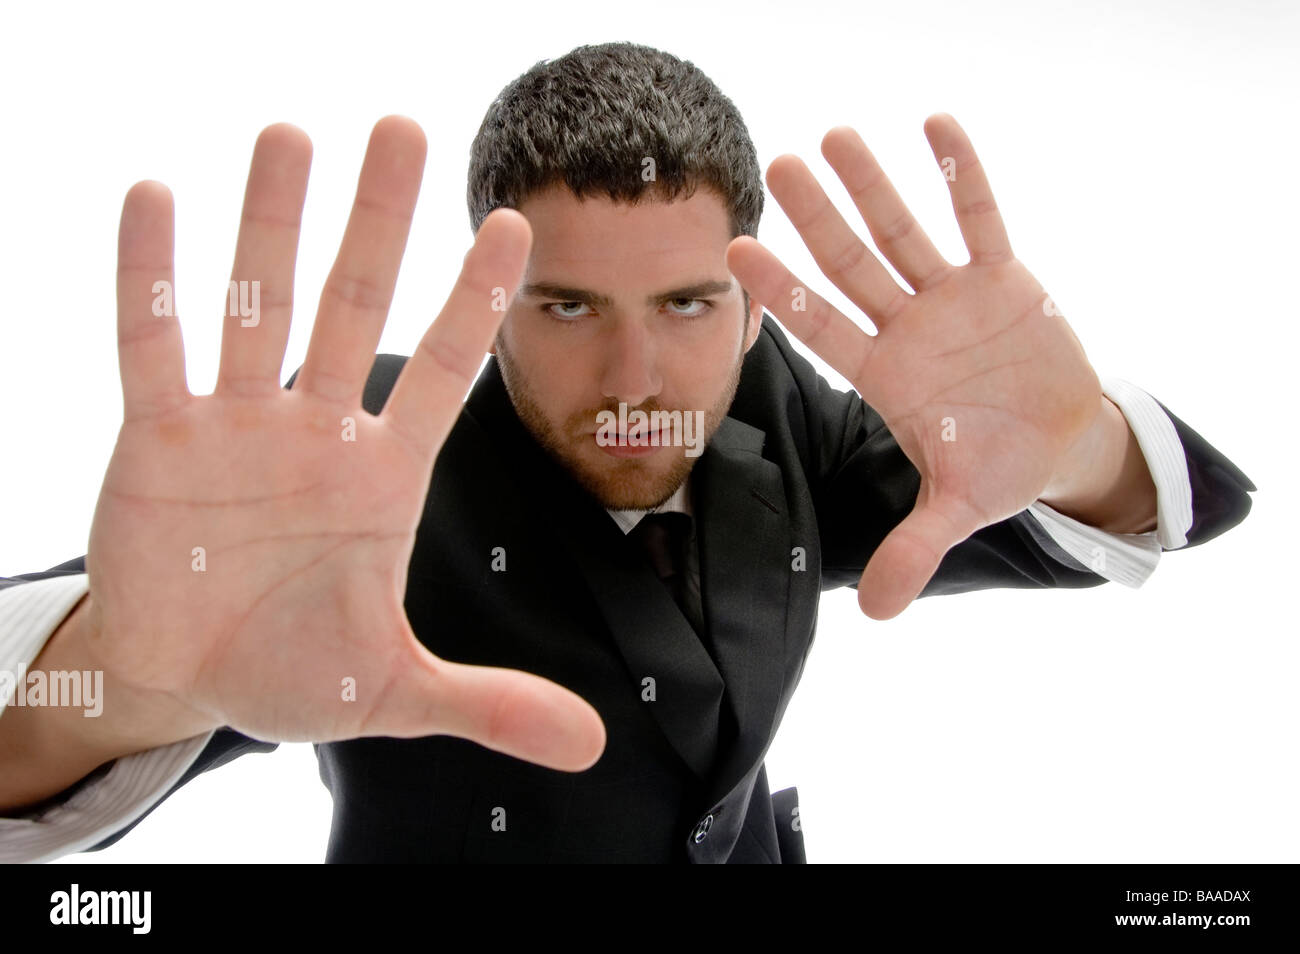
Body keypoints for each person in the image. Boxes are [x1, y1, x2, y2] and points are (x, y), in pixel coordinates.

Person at [0, 42, 1255, 863]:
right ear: (489, 300)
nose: (637, 383)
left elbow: (1145, 515)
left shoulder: (777, 413)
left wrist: (1079, 436)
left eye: (687, 306)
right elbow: (79, 711)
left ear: (755, 307)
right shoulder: (360, 458)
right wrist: (121, 676)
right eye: (566, 307)